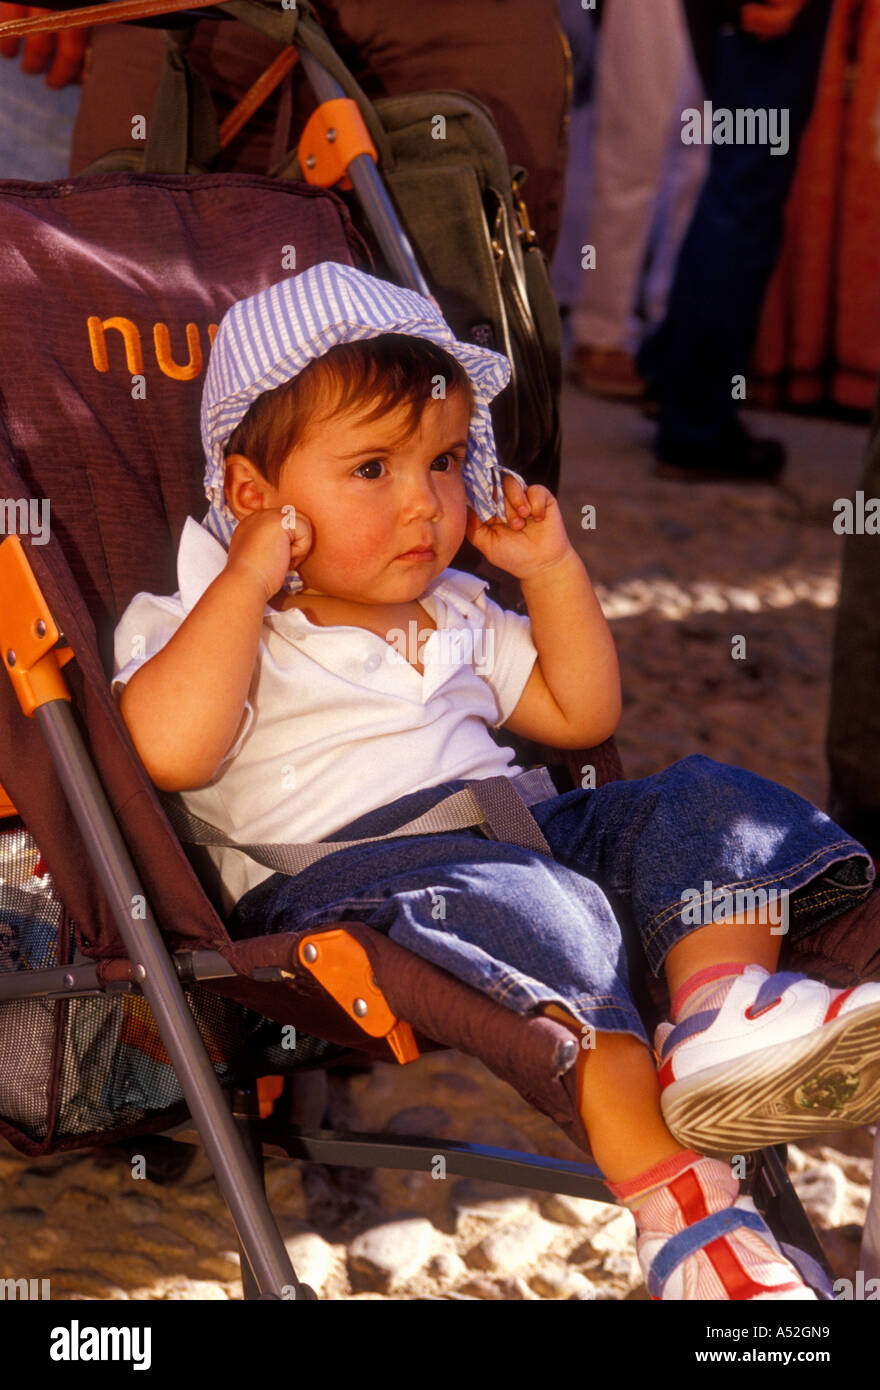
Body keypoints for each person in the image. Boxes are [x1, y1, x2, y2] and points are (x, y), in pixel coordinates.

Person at [112, 262, 880, 1301]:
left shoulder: (458, 607)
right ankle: (694, 1228)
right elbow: (169, 750)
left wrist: (551, 570)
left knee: (703, 801)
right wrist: (249, 579)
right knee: (556, 927)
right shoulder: (214, 616)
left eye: (439, 463)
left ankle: (722, 1011)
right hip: (358, 879)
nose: (424, 503)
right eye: (373, 468)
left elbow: (577, 714)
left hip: (526, 835)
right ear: (254, 496)